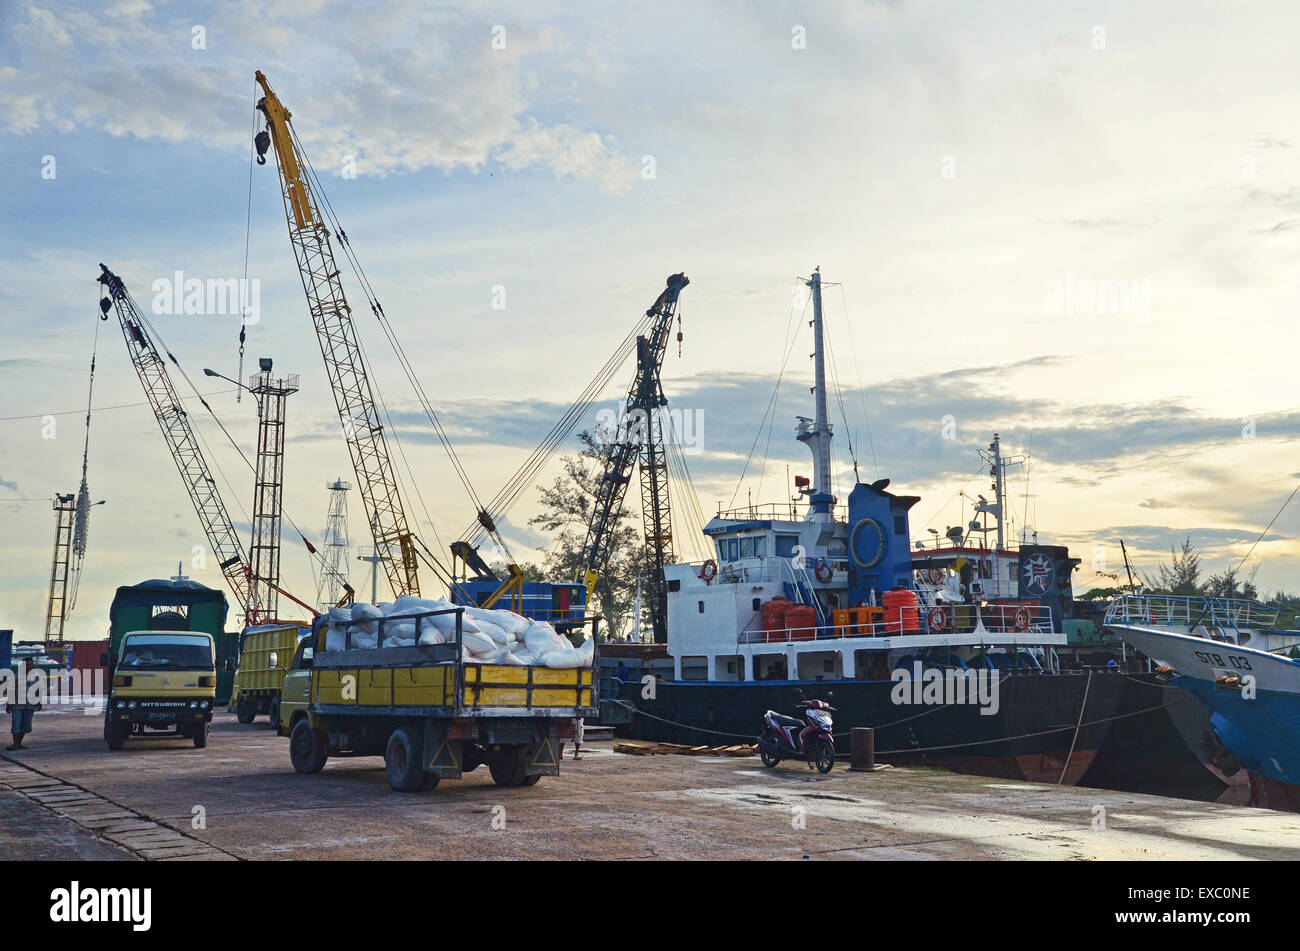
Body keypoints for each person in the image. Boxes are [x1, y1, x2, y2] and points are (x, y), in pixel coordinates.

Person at [6, 659, 40, 751]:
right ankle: (15, 744)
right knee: (16, 723)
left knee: (26, 724)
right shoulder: (16, 676)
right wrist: (9, 704)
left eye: (30, 665)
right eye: (27, 665)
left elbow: (38, 690)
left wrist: (39, 701)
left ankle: (19, 743)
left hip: (30, 704)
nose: (29, 667)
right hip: (17, 704)